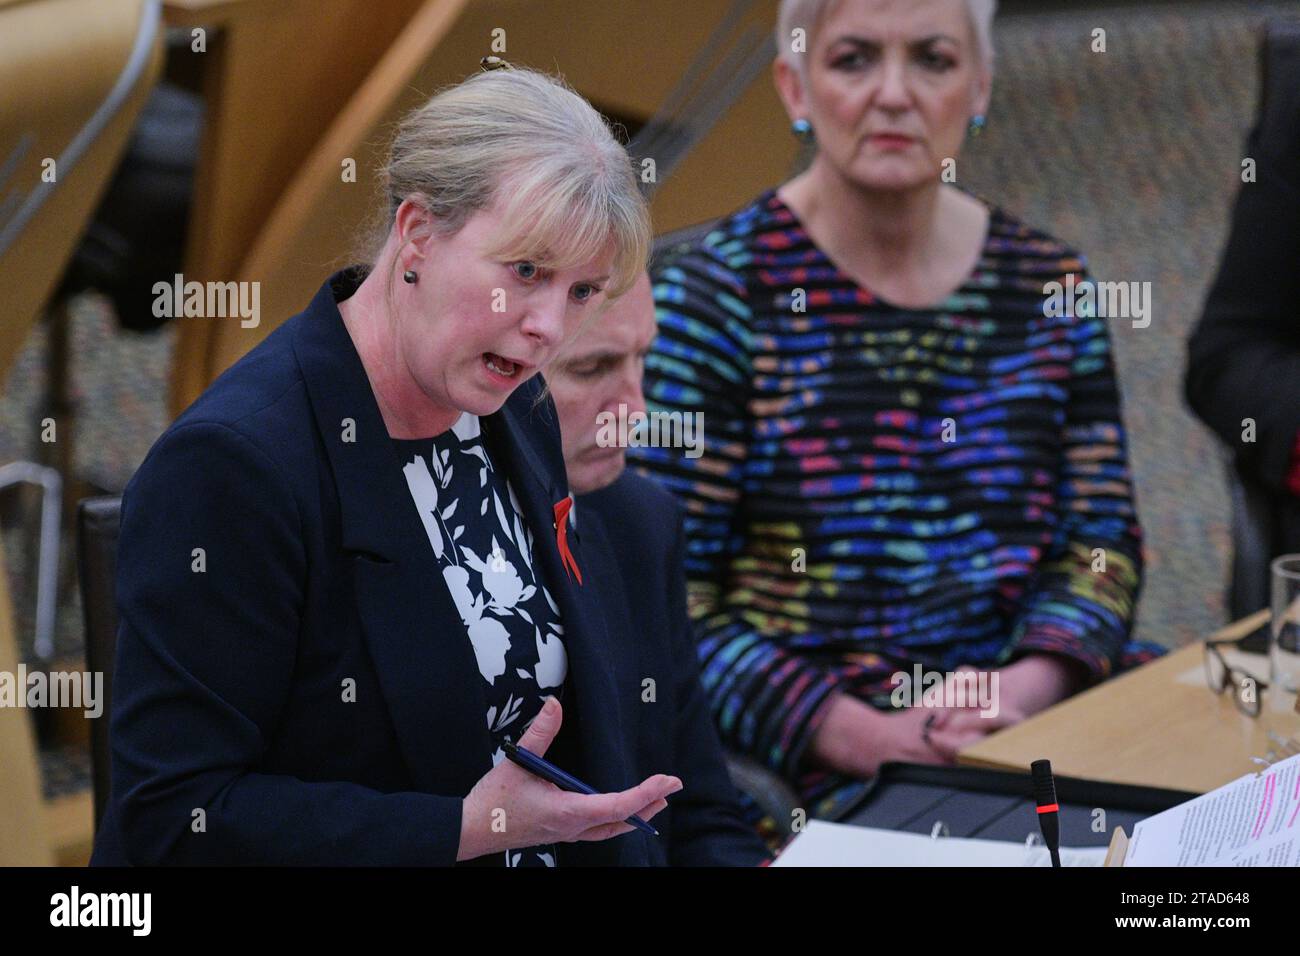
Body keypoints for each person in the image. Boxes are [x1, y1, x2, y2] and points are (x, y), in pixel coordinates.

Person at [91, 65, 688, 866]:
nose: (549, 326)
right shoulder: (233, 466)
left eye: (582, 291)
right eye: (525, 273)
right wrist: (469, 830)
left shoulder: (511, 403)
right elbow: (175, 819)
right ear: (416, 234)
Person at [628, 0, 1161, 823]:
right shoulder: (716, 299)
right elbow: (665, 596)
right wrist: (854, 732)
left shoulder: (1048, 282)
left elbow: (1101, 539)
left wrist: (1028, 682)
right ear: (793, 87)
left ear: (979, 85)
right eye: (852, 60)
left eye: (934, 60)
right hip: (823, 751)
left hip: (1037, 703)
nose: (893, 94)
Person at [544, 271, 773, 865]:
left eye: (642, 358)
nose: (635, 412)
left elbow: (698, 809)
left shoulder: (640, 521)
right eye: (591, 369)